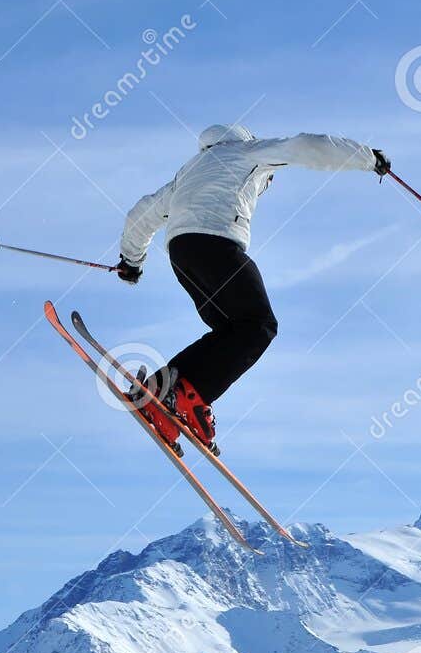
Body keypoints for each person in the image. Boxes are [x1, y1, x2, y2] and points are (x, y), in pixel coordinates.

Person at [116, 123, 390, 455]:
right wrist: (367, 158)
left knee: (233, 331)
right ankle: (188, 398)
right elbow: (305, 146)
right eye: (267, 182)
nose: (265, 186)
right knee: (260, 325)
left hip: (181, 253)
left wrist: (131, 260)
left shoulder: (188, 173)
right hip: (216, 243)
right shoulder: (248, 152)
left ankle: (163, 393)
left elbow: (143, 213)